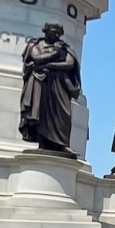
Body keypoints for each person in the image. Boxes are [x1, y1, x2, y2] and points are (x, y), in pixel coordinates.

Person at [18, 22, 82, 156]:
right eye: (54, 31)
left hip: (60, 85)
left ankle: (62, 144)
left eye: (59, 33)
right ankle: (43, 144)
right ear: (46, 30)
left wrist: (50, 64)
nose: (57, 35)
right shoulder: (35, 45)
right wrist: (56, 53)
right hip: (40, 83)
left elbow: (69, 64)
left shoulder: (64, 48)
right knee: (41, 111)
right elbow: (37, 58)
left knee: (63, 113)